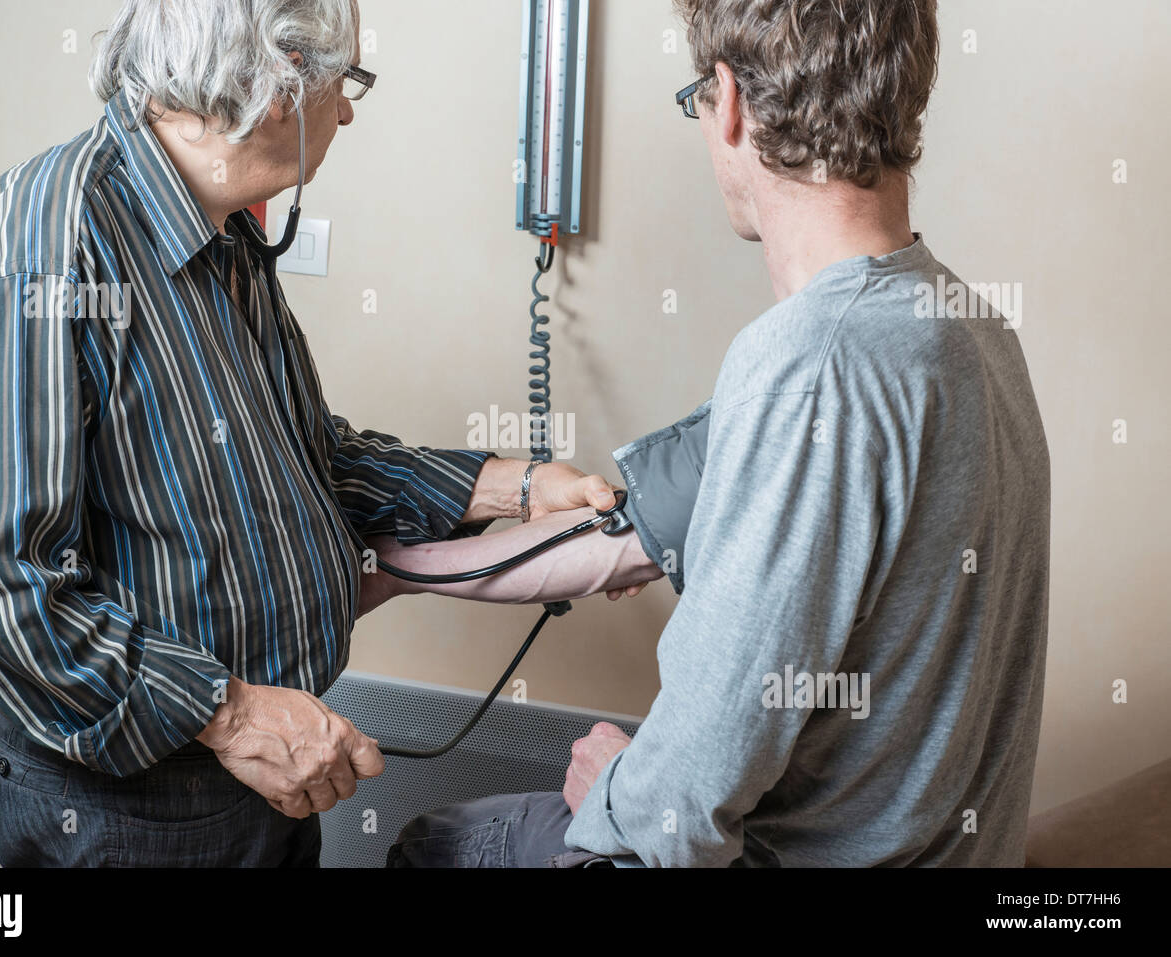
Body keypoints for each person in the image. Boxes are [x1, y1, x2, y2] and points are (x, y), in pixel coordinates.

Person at [0, 0, 630, 867]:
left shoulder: (223, 235)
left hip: (263, 772)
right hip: (134, 807)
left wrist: (517, 483)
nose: (347, 111)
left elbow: (309, 457)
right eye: (345, 82)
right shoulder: (44, 246)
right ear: (280, 82)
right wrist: (230, 713)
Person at [380, 0, 1052, 867]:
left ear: (727, 100)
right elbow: (623, 534)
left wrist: (618, 783)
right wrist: (392, 567)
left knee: (436, 845)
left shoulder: (809, 365)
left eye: (697, 98)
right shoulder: (972, 330)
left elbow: (679, 810)